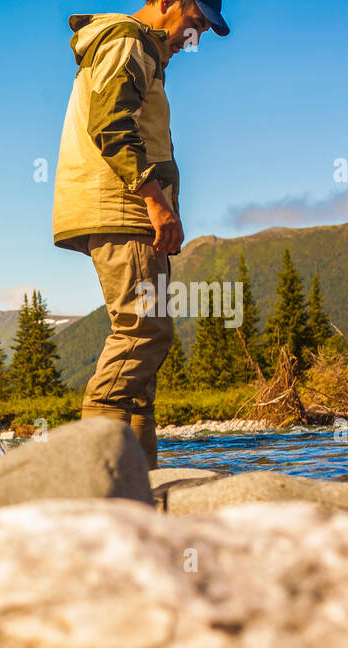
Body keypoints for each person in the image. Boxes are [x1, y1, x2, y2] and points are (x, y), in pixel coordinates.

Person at [52, 1, 230, 468]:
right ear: (169, 3)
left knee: (145, 354)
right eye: (196, 24)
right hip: (124, 209)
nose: (196, 38)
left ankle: (139, 488)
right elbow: (111, 123)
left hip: (129, 210)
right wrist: (155, 201)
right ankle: (99, 475)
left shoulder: (141, 48)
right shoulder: (127, 40)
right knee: (142, 328)